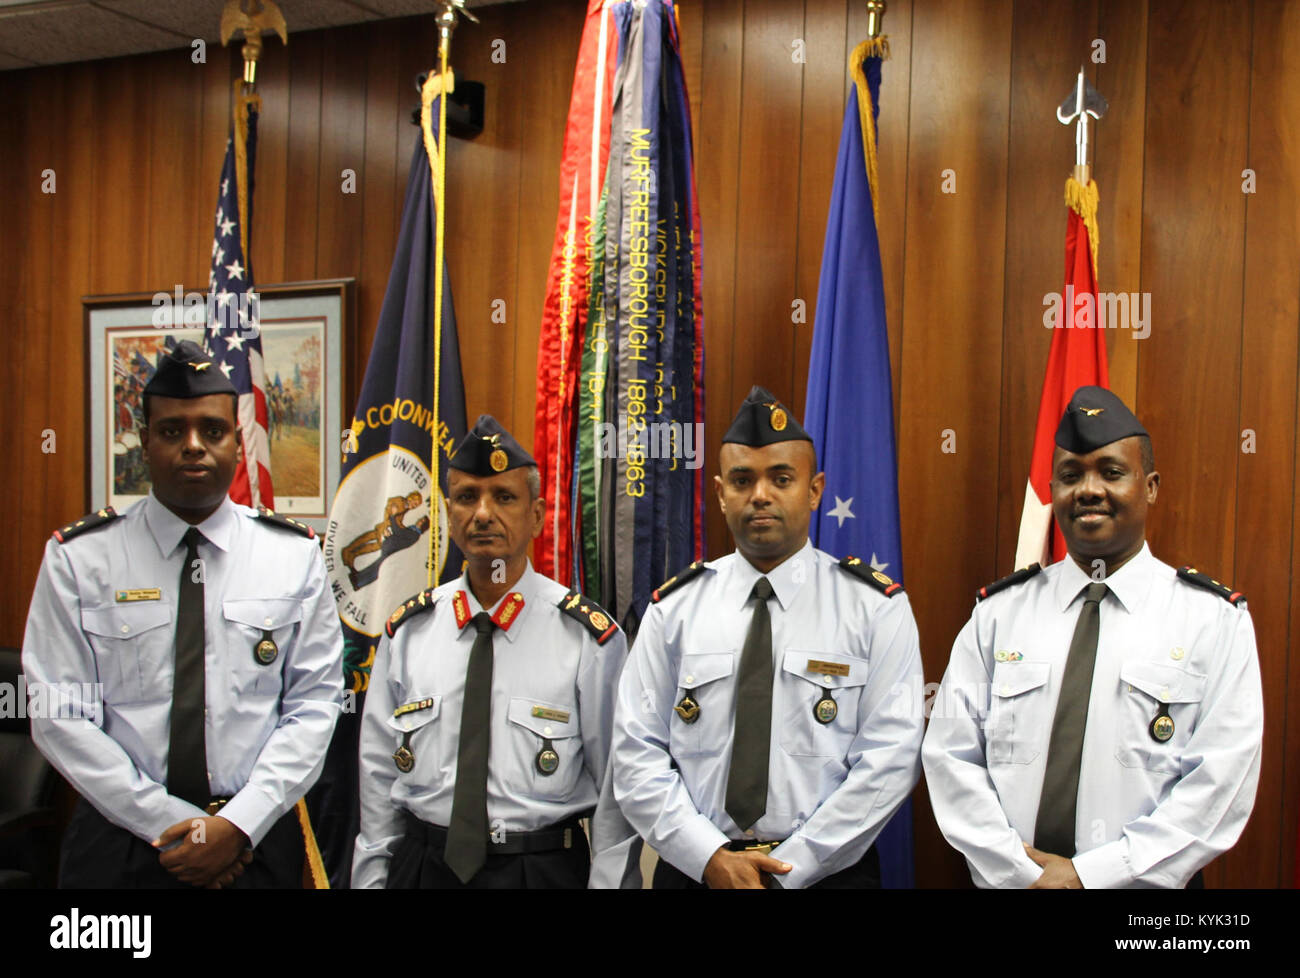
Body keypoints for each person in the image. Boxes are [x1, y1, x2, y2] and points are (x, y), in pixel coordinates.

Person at [21, 340, 344, 888]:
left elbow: (314, 706)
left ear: (239, 444)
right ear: (144, 442)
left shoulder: (293, 556)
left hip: (254, 843)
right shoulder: (80, 559)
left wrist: (235, 827)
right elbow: (59, 714)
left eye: (212, 431)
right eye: (172, 431)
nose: (193, 447)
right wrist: (174, 825)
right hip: (121, 843)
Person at [922, 385, 1263, 889]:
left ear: (1149, 487)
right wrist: (1022, 873)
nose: (1087, 489)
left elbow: (1219, 785)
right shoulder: (996, 616)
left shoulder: (1213, 622)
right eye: (1070, 475)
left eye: (1111, 472)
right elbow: (951, 758)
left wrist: (1089, 876)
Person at [603, 386, 925, 889]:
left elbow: (890, 759)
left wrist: (791, 868)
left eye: (781, 478)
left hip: (826, 877)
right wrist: (707, 856)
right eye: (742, 480)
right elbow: (635, 752)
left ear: (814, 490)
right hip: (697, 873)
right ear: (720, 492)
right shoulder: (674, 610)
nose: (760, 495)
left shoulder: (874, 609)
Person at [351, 415, 628, 888]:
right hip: (423, 868)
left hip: (536, 870)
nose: (482, 513)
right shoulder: (409, 632)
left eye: (503, 497)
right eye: (466, 497)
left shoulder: (587, 639)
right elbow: (378, 780)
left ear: (537, 515)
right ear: (448, 513)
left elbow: (615, 796)